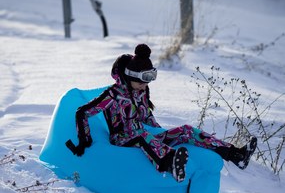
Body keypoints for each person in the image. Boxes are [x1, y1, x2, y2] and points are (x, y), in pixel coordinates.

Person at [70, 44, 257, 183]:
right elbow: (83, 113)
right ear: (129, 76)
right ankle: (170, 165)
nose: (146, 84)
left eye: (150, 78)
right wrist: (84, 141)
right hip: (122, 139)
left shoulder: (142, 92)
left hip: (144, 135)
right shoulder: (112, 95)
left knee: (186, 130)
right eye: (142, 80)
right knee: (141, 135)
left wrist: (162, 135)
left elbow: (147, 119)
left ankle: (235, 155)